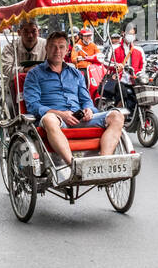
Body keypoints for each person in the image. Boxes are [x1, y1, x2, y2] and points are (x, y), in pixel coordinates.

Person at [23, 30, 125, 184]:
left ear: (67, 49)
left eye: (61, 47)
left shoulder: (76, 74)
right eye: (53, 47)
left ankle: (103, 166)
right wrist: (61, 114)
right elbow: (33, 105)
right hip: (56, 120)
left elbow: (86, 100)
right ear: (46, 48)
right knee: (50, 119)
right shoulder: (34, 75)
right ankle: (73, 167)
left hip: (80, 118)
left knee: (117, 115)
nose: (57, 51)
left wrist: (89, 110)